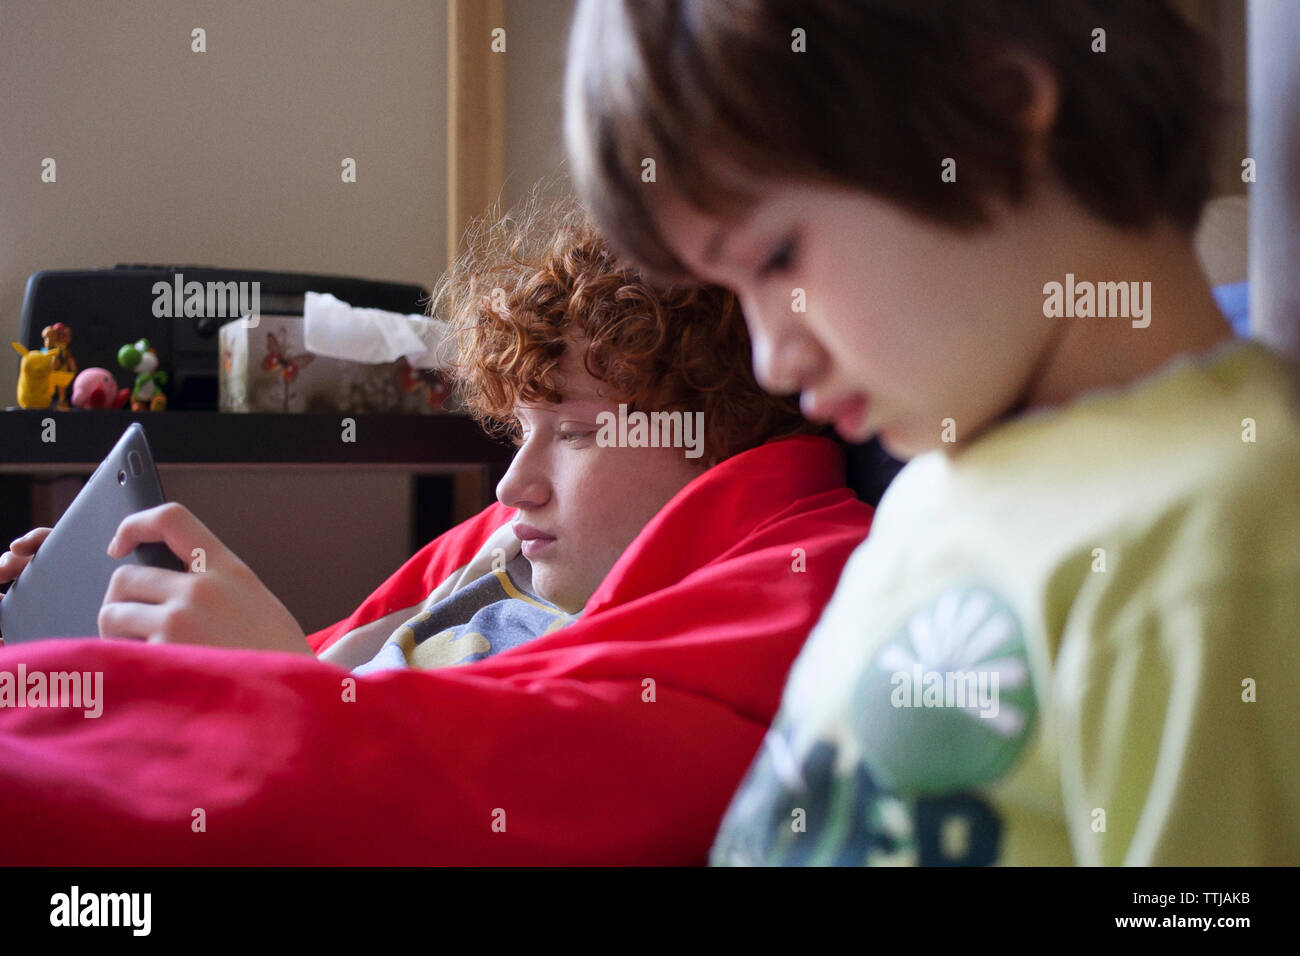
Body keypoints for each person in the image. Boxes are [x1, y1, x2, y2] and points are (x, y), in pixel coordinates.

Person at [563, 0, 1300, 864]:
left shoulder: (1220, 531)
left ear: (998, 108)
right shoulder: (935, 482)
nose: (771, 360)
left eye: (775, 259)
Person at [0, 192, 872, 864]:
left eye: (572, 433)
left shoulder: (788, 583)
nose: (512, 483)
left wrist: (281, 689)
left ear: (710, 432)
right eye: (520, 432)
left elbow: (522, 799)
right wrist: (147, 634)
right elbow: (345, 662)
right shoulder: (513, 552)